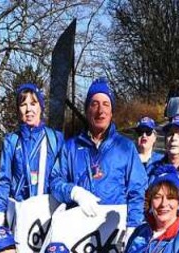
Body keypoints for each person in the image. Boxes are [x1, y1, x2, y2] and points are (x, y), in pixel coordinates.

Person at [49, 78, 148, 228]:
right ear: (87, 110)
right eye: (94, 104)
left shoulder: (126, 147)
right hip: (78, 231)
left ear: (111, 112)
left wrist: (133, 227)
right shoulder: (70, 148)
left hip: (114, 231)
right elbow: (55, 182)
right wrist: (74, 192)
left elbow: (137, 191)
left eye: (106, 104)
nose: (100, 110)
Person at [0, 83, 64, 226]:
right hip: (20, 214)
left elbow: (61, 177)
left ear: (40, 107)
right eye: (23, 104)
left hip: (48, 214)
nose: (28, 109)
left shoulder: (55, 139)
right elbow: (4, 179)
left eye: (33, 103)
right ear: (18, 110)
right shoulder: (11, 141)